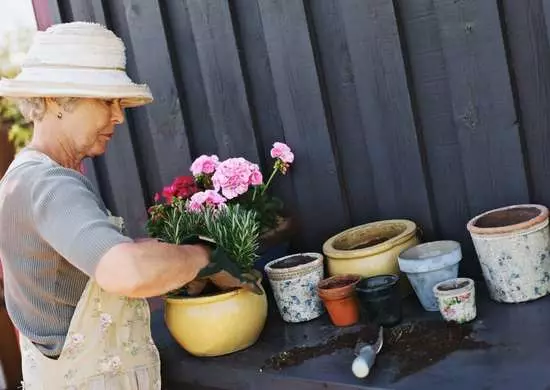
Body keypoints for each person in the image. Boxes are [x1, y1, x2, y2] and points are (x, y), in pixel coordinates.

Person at [0, 22, 258, 389]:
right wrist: (205, 257)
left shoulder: (26, 178)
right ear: (57, 100)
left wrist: (172, 258)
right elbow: (125, 272)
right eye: (107, 101)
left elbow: (86, 272)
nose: (119, 116)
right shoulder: (47, 185)